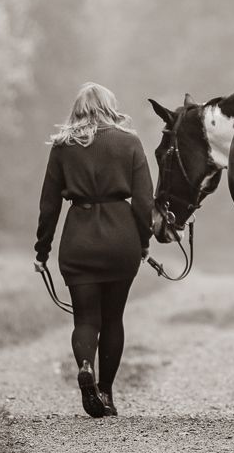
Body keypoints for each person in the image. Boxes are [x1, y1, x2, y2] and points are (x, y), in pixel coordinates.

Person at [34, 82, 153, 418]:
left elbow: (49, 205)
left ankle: (86, 365)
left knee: (86, 318)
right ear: (109, 107)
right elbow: (144, 201)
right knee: (113, 319)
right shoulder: (129, 141)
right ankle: (106, 393)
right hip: (121, 239)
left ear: (78, 109)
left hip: (79, 241)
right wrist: (144, 241)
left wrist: (42, 250)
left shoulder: (63, 146)